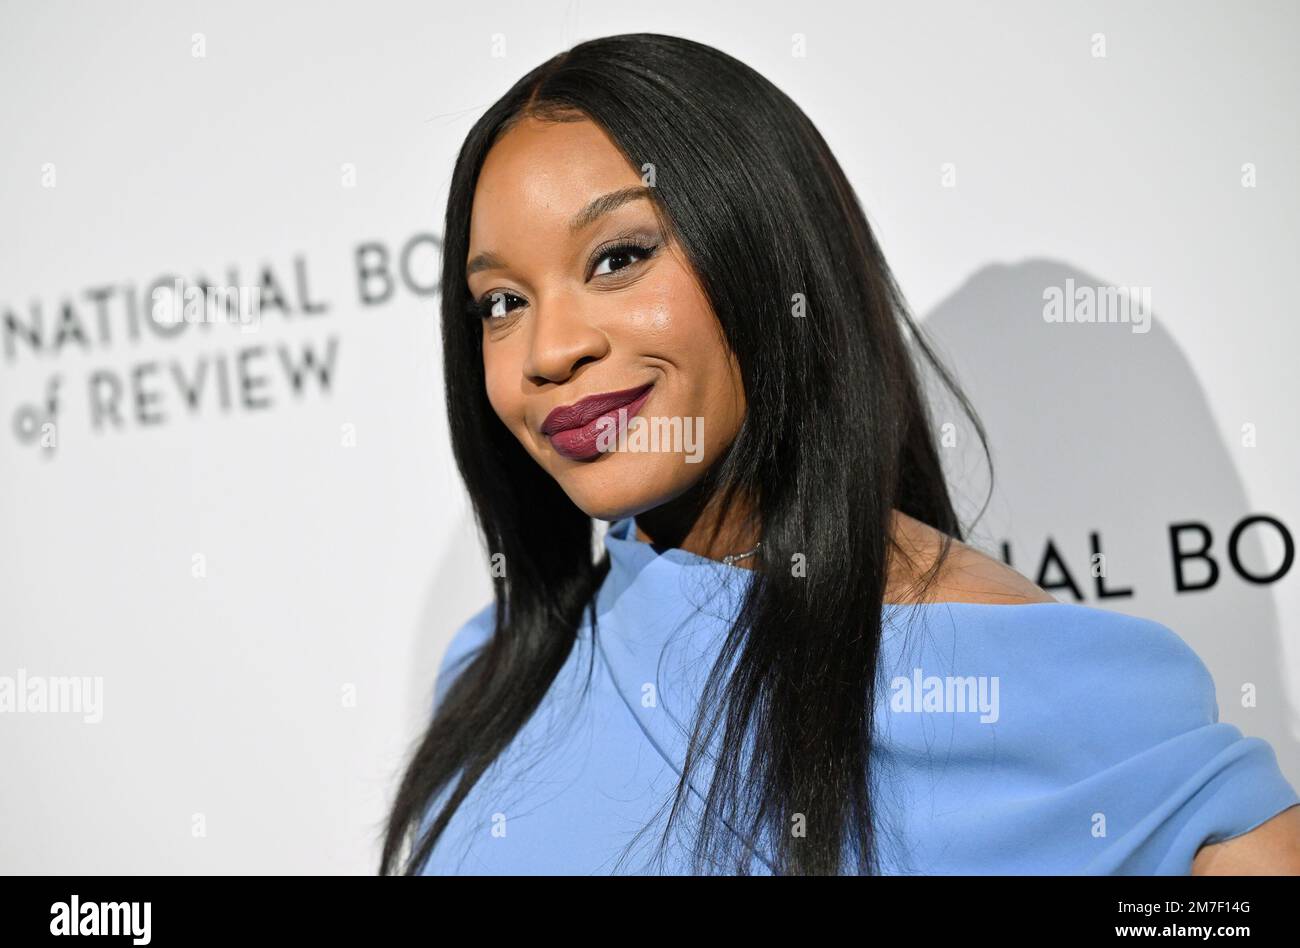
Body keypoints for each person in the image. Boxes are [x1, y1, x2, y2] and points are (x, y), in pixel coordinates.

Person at [380, 32, 1300, 875]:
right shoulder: (496, 669)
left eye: (618, 258)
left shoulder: (993, 666)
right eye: (500, 302)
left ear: (769, 249)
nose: (547, 350)